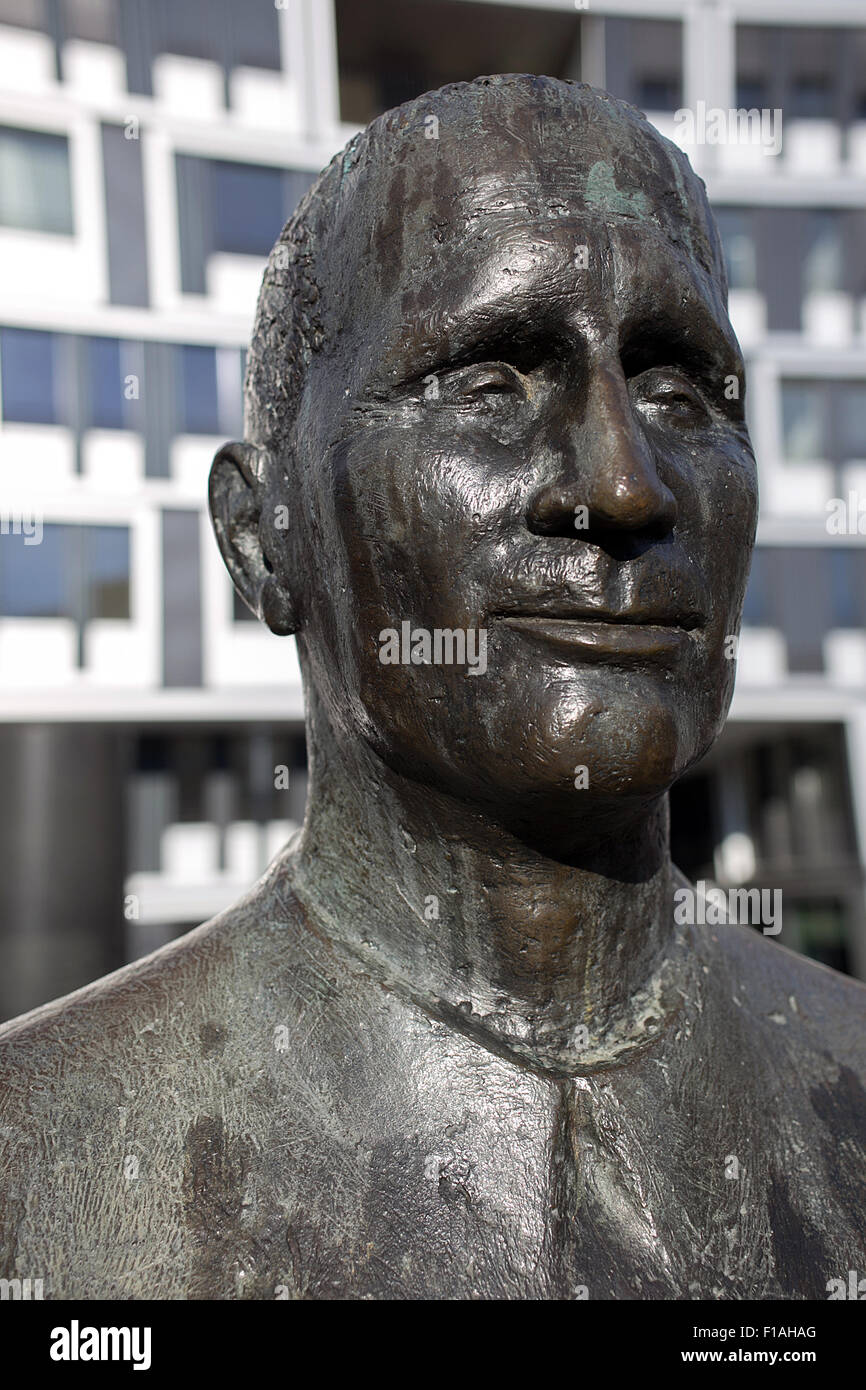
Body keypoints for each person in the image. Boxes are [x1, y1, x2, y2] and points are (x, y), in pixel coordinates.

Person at [1, 76, 864, 1300]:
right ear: (262, 539)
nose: (625, 489)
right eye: (488, 384)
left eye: (677, 391)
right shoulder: (28, 1177)